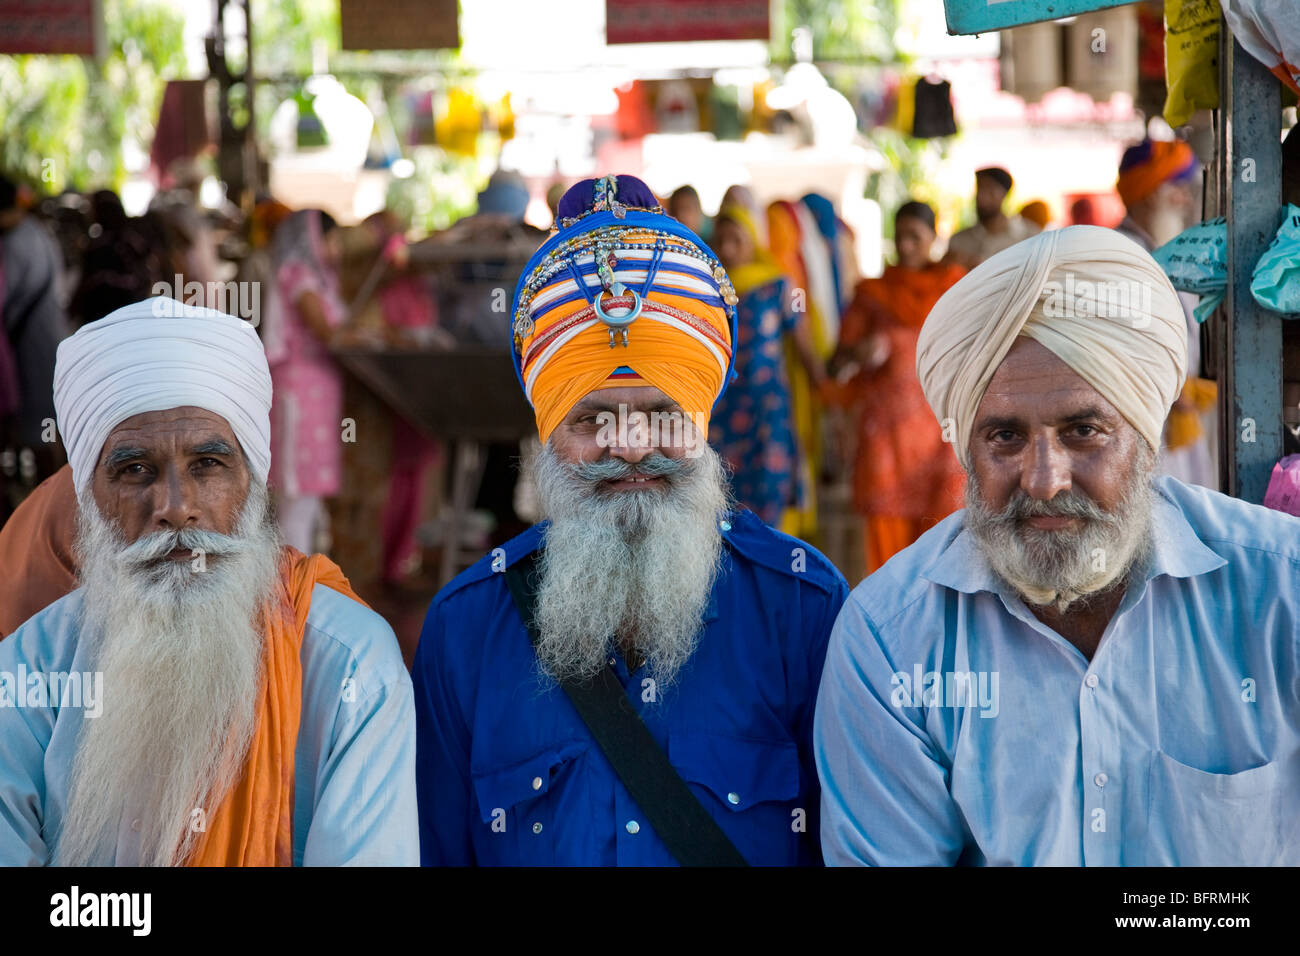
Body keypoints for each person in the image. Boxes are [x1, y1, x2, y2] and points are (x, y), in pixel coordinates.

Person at [815, 226, 1300, 866]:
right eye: (1005, 438)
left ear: (1147, 440)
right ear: (966, 450)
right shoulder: (891, 640)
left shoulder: (1281, 592)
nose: (1044, 481)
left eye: (1083, 431)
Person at [413, 175, 847, 866]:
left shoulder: (803, 607)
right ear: (547, 434)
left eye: (662, 414)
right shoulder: (466, 629)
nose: (631, 445)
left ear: (703, 422)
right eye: (591, 419)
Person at [0, 299, 417, 865]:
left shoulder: (351, 665)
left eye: (208, 465)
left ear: (252, 481)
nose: (174, 507)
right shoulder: (29, 668)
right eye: (134, 470)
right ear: (88, 498)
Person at [831, 201, 967, 572]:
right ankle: (888, 622)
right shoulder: (872, 294)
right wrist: (861, 351)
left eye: (915, 237)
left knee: (942, 539)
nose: (906, 246)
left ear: (934, 238)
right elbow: (836, 363)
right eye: (900, 237)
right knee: (886, 549)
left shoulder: (956, 288)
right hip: (885, 437)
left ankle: (936, 624)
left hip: (940, 432)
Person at [710, 202, 828, 528]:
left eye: (736, 239)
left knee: (769, 490)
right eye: (721, 241)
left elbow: (803, 343)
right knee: (722, 496)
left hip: (767, 407)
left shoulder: (781, 286)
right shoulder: (708, 290)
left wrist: (826, 391)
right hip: (723, 409)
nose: (727, 249)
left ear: (753, 240)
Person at [1115, 136, 1217, 488]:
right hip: (1145, 421)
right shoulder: (1120, 256)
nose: (1187, 199)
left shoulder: (1164, 253)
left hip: (1177, 420)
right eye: (1178, 188)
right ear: (1152, 192)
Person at [263, 208, 347, 553]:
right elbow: (324, 329)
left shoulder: (320, 278)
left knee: (308, 499)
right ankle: (292, 591)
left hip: (316, 394)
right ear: (313, 238)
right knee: (295, 499)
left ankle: (304, 585)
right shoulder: (298, 276)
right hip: (299, 396)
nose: (337, 247)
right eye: (332, 238)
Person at [1, 175, 71, 483]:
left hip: (30, 349)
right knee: (51, 427)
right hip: (51, 337)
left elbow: (6, 298)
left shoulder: (14, 243)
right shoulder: (37, 231)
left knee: (38, 430)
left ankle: (47, 497)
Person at [943, 166, 1037, 269]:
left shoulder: (1031, 238)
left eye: (990, 190)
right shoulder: (959, 241)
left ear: (1004, 195)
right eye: (979, 189)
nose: (981, 196)